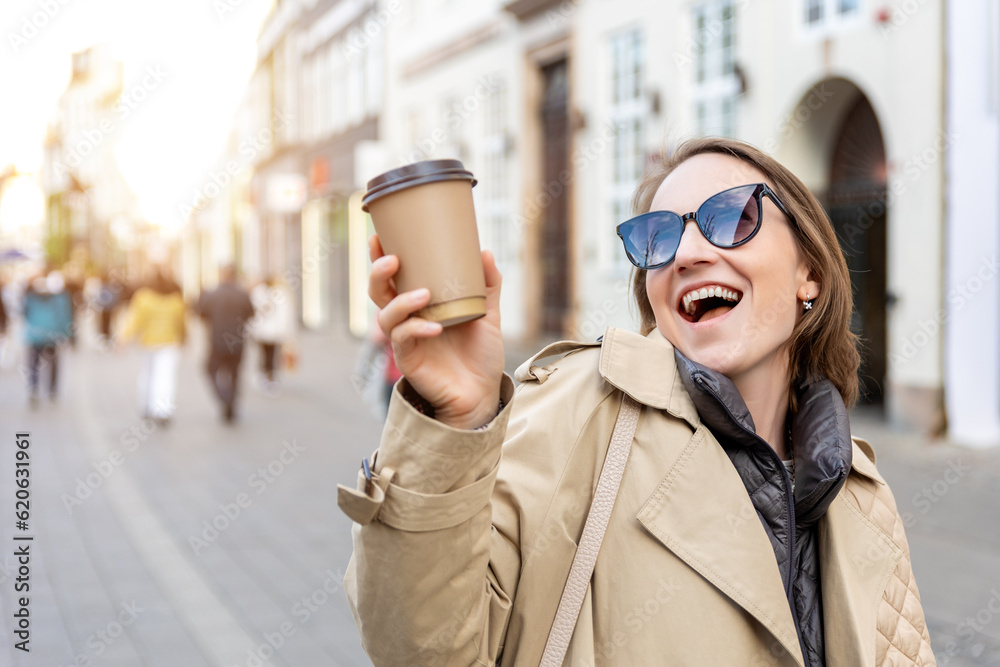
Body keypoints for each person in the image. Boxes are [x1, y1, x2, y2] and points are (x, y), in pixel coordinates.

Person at [338, 138, 935, 666]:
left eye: (731, 218)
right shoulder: (580, 412)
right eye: (658, 236)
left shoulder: (861, 493)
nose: (688, 253)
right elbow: (419, 648)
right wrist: (458, 420)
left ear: (810, 270)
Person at [119, 267, 186, 424]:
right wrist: (184, 338)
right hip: (169, 343)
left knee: (147, 374)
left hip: (147, 342)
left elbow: (133, 320)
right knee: (165, 376)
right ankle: (163, 410)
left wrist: (123, 339)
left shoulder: (143, 298)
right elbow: (182, 322)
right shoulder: (176, 300)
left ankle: (146, 406)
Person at [197, 265, 254, 423]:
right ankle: (232, 402)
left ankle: (225, 397)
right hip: (237, 342)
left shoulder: (212, 294)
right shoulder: (242, 294)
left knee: (211, 370)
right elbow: (251, 314)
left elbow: (202, 314)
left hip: (217, 342)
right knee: (235, 373)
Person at [22, 269, 74, 407]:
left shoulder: (31, 296)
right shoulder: (61, 297)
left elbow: (25, 312)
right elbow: (65, 318)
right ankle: (52, 390)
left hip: (35, 335)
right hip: (53, 335)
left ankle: (33, 388)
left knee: (33, 363)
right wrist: (67, 336)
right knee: (53, 363)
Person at [249, 274, 297, 393]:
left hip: (263, 332)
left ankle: (266, 374)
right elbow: (286, 315)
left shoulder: (258, 293)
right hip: (275, 332)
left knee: (266, 354)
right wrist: (289, 332)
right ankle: (271, 376)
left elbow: (253, 314)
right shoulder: (280, 294)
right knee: (273, 354)